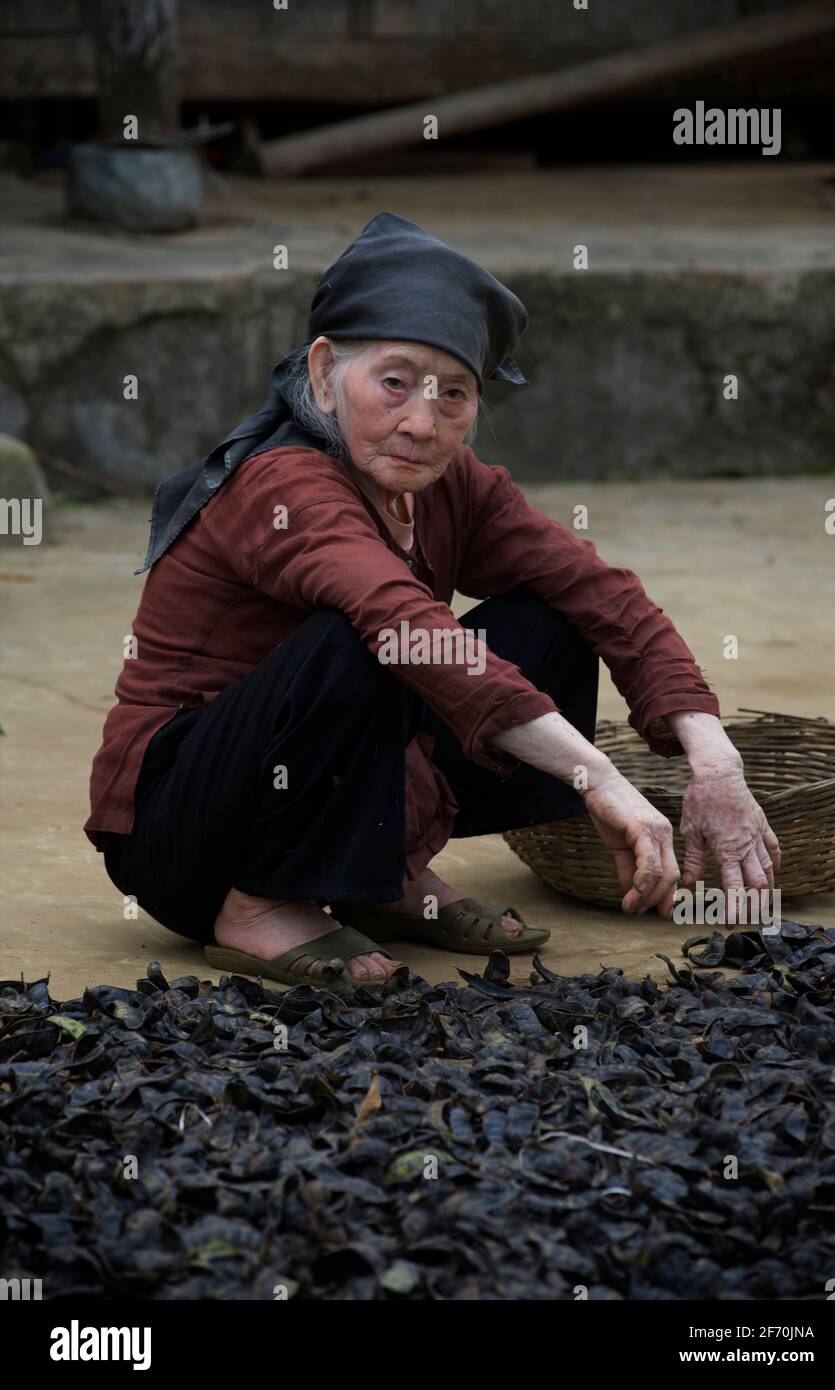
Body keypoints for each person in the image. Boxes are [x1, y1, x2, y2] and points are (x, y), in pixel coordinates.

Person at [85, 212, 780, 989]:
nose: (421, 422)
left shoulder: (454, 485)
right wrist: (600, 779)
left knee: (553, 618)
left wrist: (715, 763)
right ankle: (261, 906)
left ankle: (385, 875)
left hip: (316, 785)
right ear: (323, 373)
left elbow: (601, 591)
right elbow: (398, 619)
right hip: (187, 829)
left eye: (454, 394)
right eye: (394, 382)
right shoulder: (283, 484)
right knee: (369, 634)